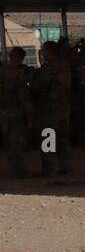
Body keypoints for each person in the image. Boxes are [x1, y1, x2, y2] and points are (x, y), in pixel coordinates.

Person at [29, 42, 72, 176]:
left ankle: (50, 168)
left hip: (48, 110)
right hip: (63, 109)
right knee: (63, 140)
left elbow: (37, 87)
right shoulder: (66, 67)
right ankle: (66, 166)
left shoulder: (46, 70)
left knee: (48, 140)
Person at [1, 47, 31, 177]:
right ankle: (17, 169)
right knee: (16, 142)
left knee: (9, 140)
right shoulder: (19, 73)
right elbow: (23, 95)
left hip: (3, 111)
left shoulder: (2, 71)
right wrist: (29, 114)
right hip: (15, 112)